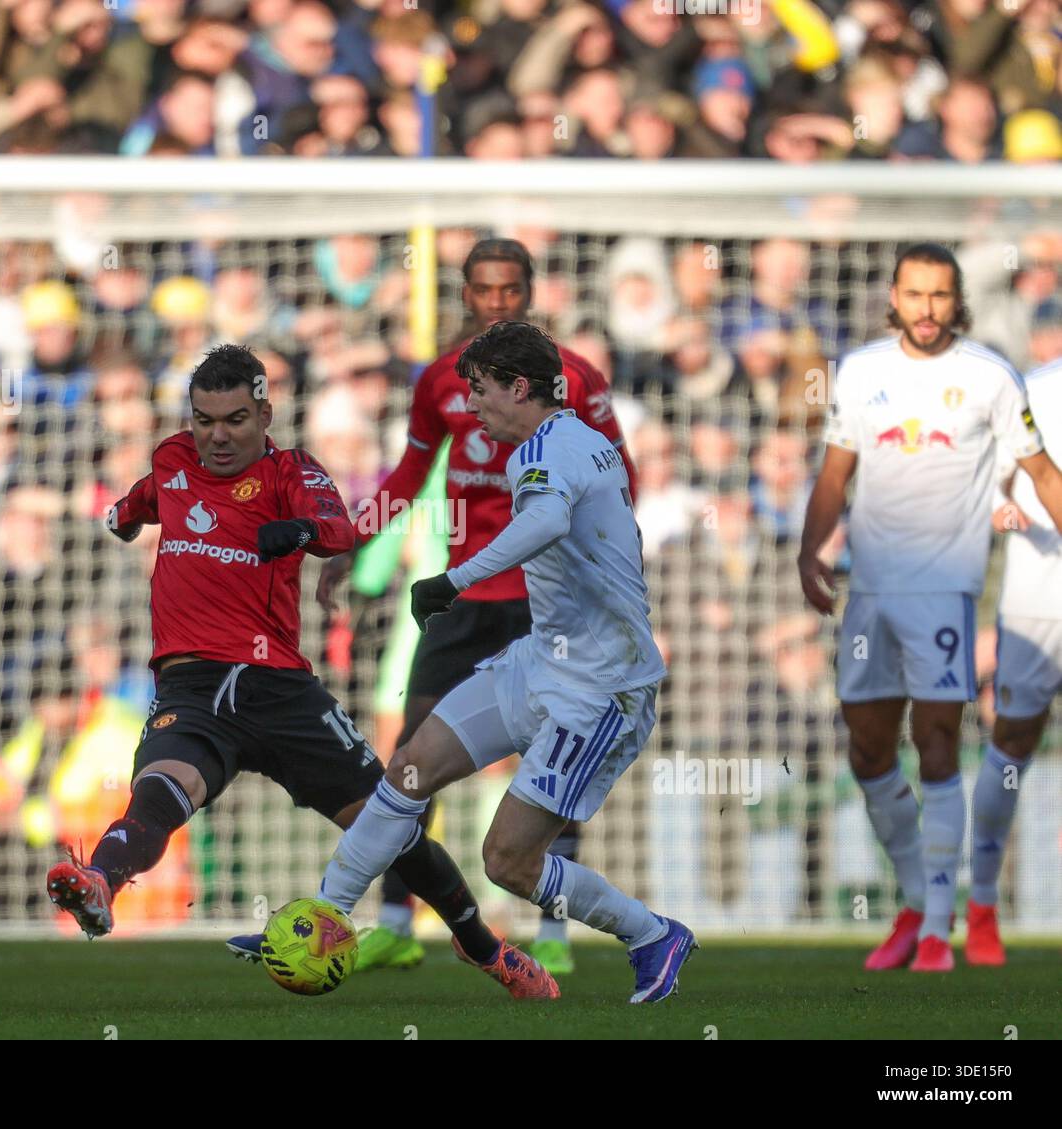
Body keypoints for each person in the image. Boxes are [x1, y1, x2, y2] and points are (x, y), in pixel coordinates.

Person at [46, 344, 557, 1000]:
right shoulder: (172, 459)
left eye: (234, 419)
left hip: (279, 689)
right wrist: (122, 516)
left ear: (264, 412)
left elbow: (338, 529)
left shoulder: (291, 470)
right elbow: (143, 502)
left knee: (393, 825)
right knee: (156, 793)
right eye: (204, 419)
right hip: (192, 687)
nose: (217, 434)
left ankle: (484, 948)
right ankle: (100, 885)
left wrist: (296, 533)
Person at [314, 321, 697, 1005]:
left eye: (482, 391)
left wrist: (452, 580)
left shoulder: (545, 452)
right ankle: (328, 914)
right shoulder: (580, 441)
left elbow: (547, 521)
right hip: (541, 660)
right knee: (410, 766)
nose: (473, 407)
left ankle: (651, 933)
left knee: (508, 862)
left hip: (601, 687)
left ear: (520, 387)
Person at [798, 243, 1062, 972]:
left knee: (939, 741)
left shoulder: (990, 378)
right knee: (868, 748)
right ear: (894, 296)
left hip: (945, 588)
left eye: (940, 295)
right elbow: (835, 473)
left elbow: (1040, 471)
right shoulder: (860, 373)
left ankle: (940, 927)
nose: (926, 308)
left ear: (955, 300)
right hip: (871, 591)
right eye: (914, 294)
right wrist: (809, 550)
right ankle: (918, 898)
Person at [975, 352, 1062, 964]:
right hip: (1039, 602)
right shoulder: (1035, 390)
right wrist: (998, 508)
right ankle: (981, 903)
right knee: (1012, 745)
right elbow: (986, 480)